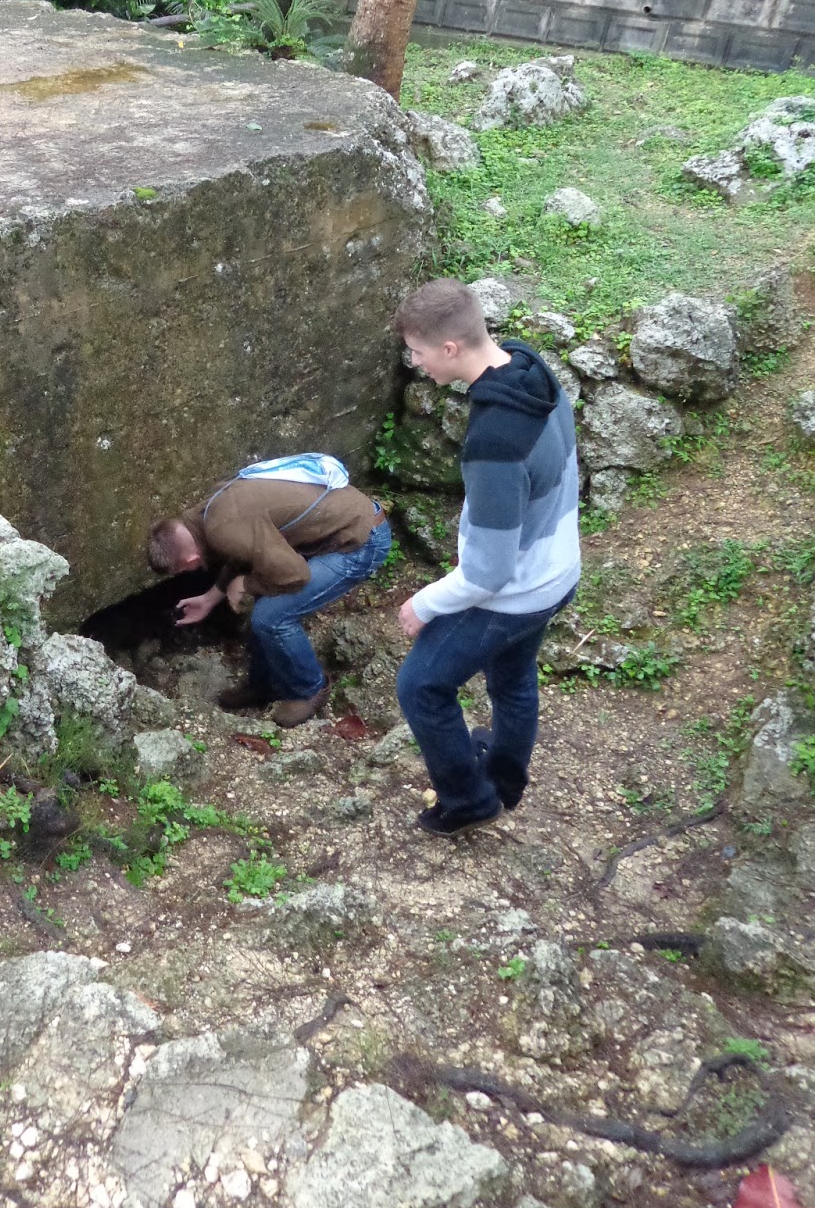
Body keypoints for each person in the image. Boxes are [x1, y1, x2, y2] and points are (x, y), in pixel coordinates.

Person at [394, 279, 580, 837]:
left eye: (418, 351)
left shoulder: (496, 441)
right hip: (558, 569)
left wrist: (424, 604)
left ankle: (469, 801)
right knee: (513, 679)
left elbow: (490, 570)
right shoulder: (527, 367)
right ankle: (503, 779)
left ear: (450, 349)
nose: (414, 361)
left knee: (420, 686)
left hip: (518, 590)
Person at [147, 458, 391, 728]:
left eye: (183, 570)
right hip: (345, 520)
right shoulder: (202, 515)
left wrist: (245, 584)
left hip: (361, 541)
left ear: (190, 561)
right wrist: (212, 596)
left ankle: (309, 689)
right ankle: (265, 684)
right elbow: (245, 550)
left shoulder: (221, 529)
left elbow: (295, 575)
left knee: (270, 617)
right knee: (266, 593)